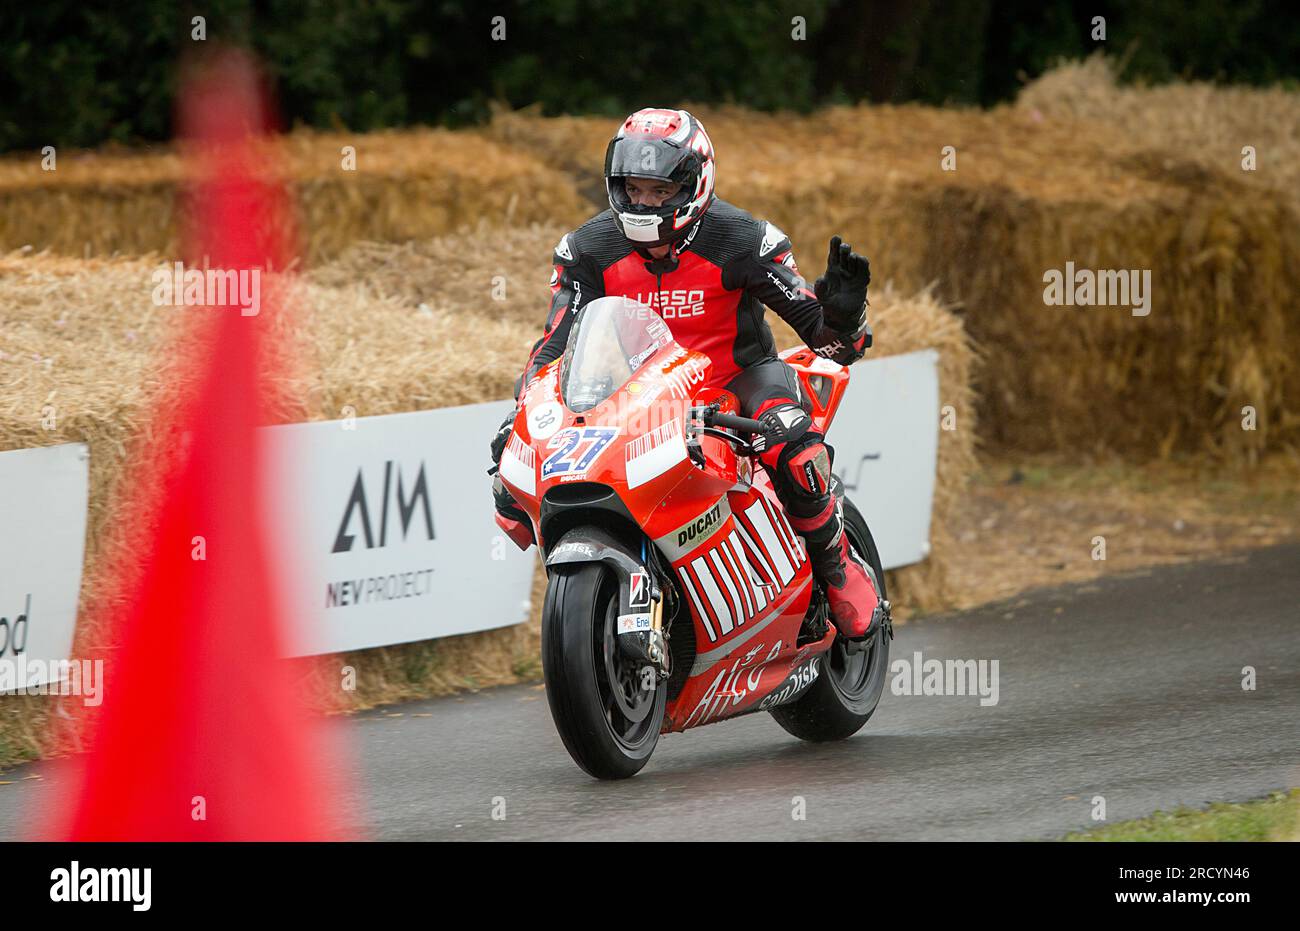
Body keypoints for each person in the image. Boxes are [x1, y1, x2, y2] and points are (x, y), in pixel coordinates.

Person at [490, 107, 882, 640]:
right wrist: (525, 413)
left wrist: (843, 315)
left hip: (737, 382)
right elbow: (552, 350)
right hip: (632, 398)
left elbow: (835, 345)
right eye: (633, 188)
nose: (643, 202)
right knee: (512, 478)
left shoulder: (745, 240)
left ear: (693, 185)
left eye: (658, 190)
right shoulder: (586, 251)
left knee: (792, 438)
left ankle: (837, 575)